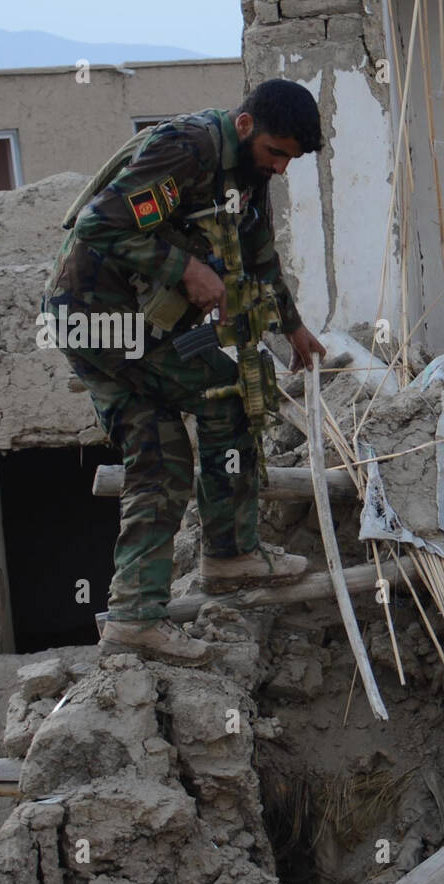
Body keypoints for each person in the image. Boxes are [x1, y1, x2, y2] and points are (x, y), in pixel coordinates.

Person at [44, 79, 327, 665]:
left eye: (288, 161)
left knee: (160, 452)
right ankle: (228, 553)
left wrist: (293, 327)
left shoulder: (247, 176)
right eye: (275, 153)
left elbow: (260, 257)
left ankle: (133, 620)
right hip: (98, 319)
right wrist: (188, 268)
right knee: (229, 394)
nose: (279, 168)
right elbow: (99, 224)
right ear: (245, 126)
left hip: (134, 325)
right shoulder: (188, 150)